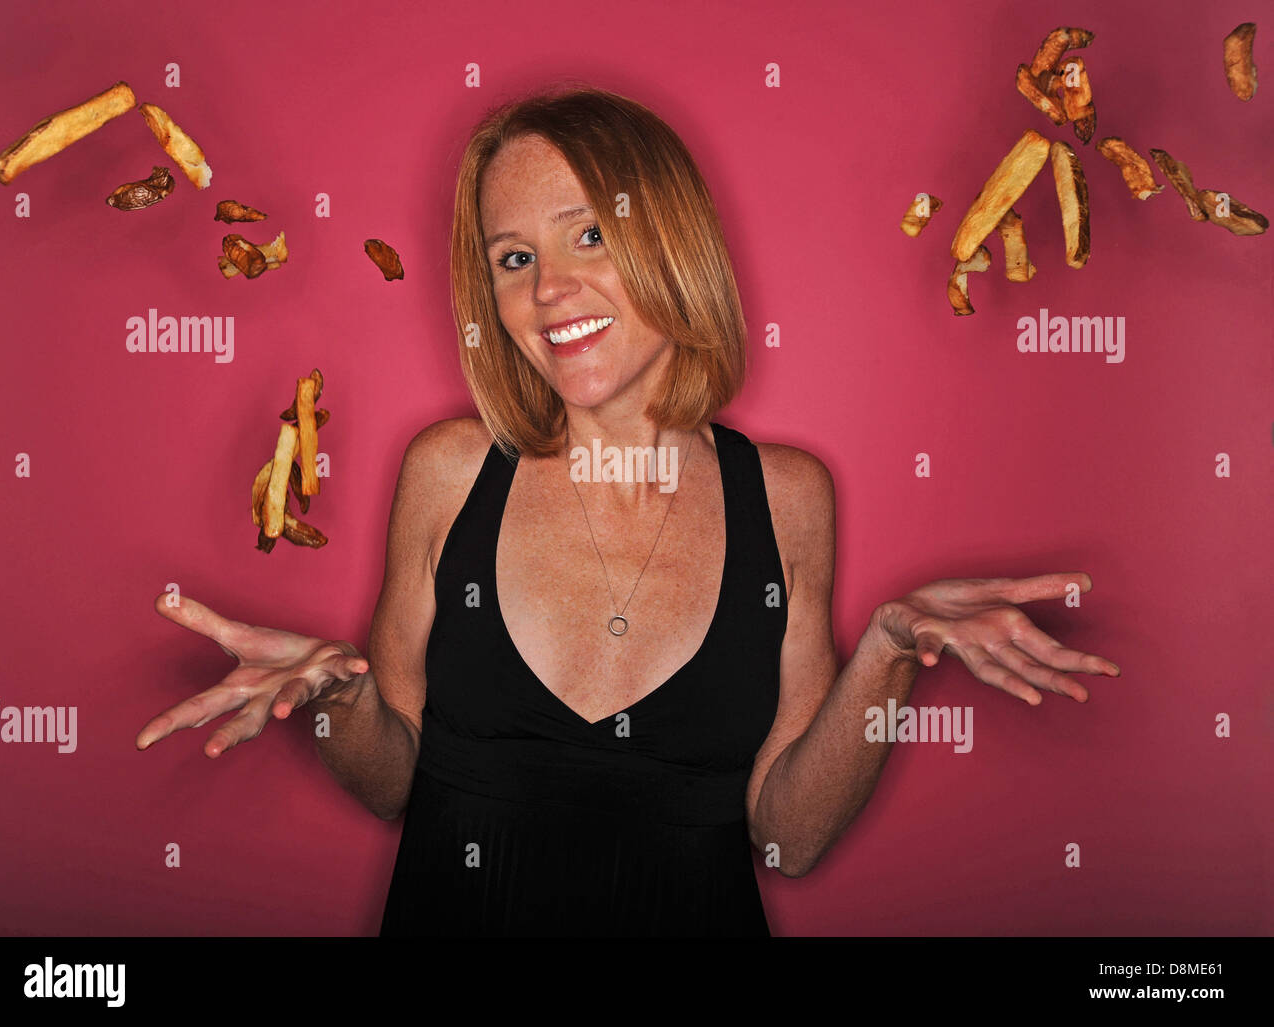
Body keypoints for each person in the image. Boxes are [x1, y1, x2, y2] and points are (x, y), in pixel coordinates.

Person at [135, 84, 1120, 937]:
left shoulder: (786, 496)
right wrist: (335, 701)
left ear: (672, 241)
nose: (550, 288)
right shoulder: (446, 473)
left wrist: (892, 653)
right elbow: (389, 779)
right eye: (511, 259)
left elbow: (789, 836)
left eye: (590, 234)